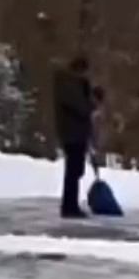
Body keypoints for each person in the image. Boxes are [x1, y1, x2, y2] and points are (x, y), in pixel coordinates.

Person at [53, 54, 101, 218]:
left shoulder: (73, 83)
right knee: (73, 171)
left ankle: (70, 204)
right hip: (72, 133)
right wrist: (93, 101)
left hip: (76, 132)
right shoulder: (68, 83)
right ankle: (69, 206)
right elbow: (81, 107)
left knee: (76, 170)